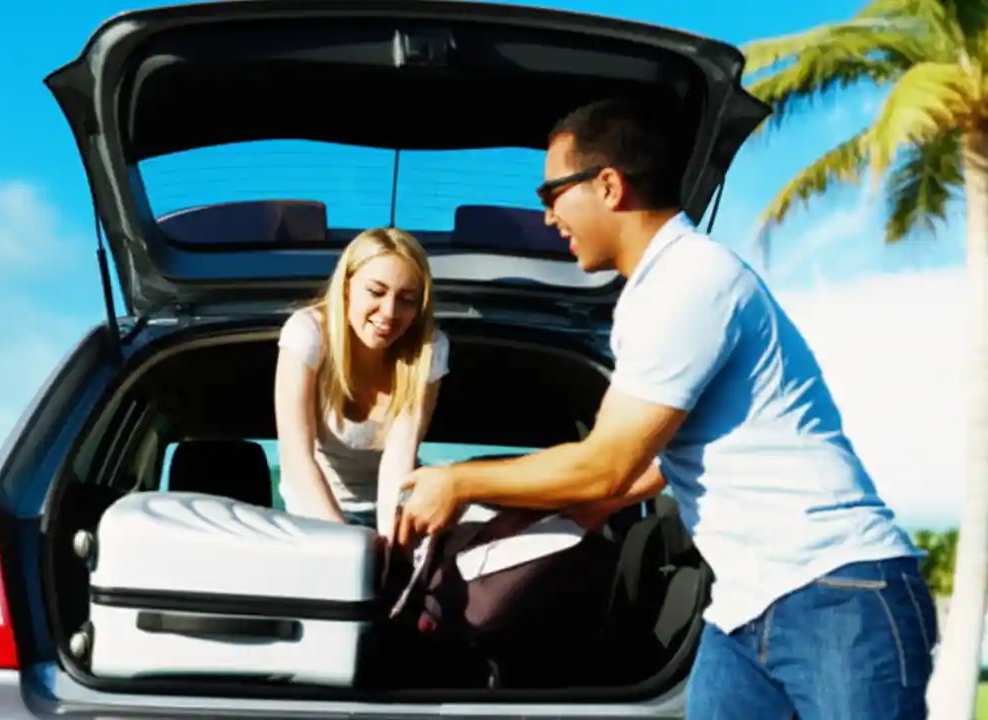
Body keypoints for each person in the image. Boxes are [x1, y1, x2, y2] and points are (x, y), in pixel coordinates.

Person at [394, 99, 937, 718]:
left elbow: (609, 465)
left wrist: (459, 481)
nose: (545, 215)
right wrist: (565, 523)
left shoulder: (691, 280)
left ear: (608, 185)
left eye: (552, 192)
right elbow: (650, 466)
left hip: (835, 589)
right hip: (743, 609)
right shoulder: (648, 299)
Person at [275, 227, 449, 541]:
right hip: (315, 508)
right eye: (376, 292)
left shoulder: (428, 349)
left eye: (407, 299)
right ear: (346, 286)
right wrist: (346, 546)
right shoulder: (308, 334)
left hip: (395, 509)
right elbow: (297, 459)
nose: (390, 312)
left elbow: (399, 459)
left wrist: (389, 548)